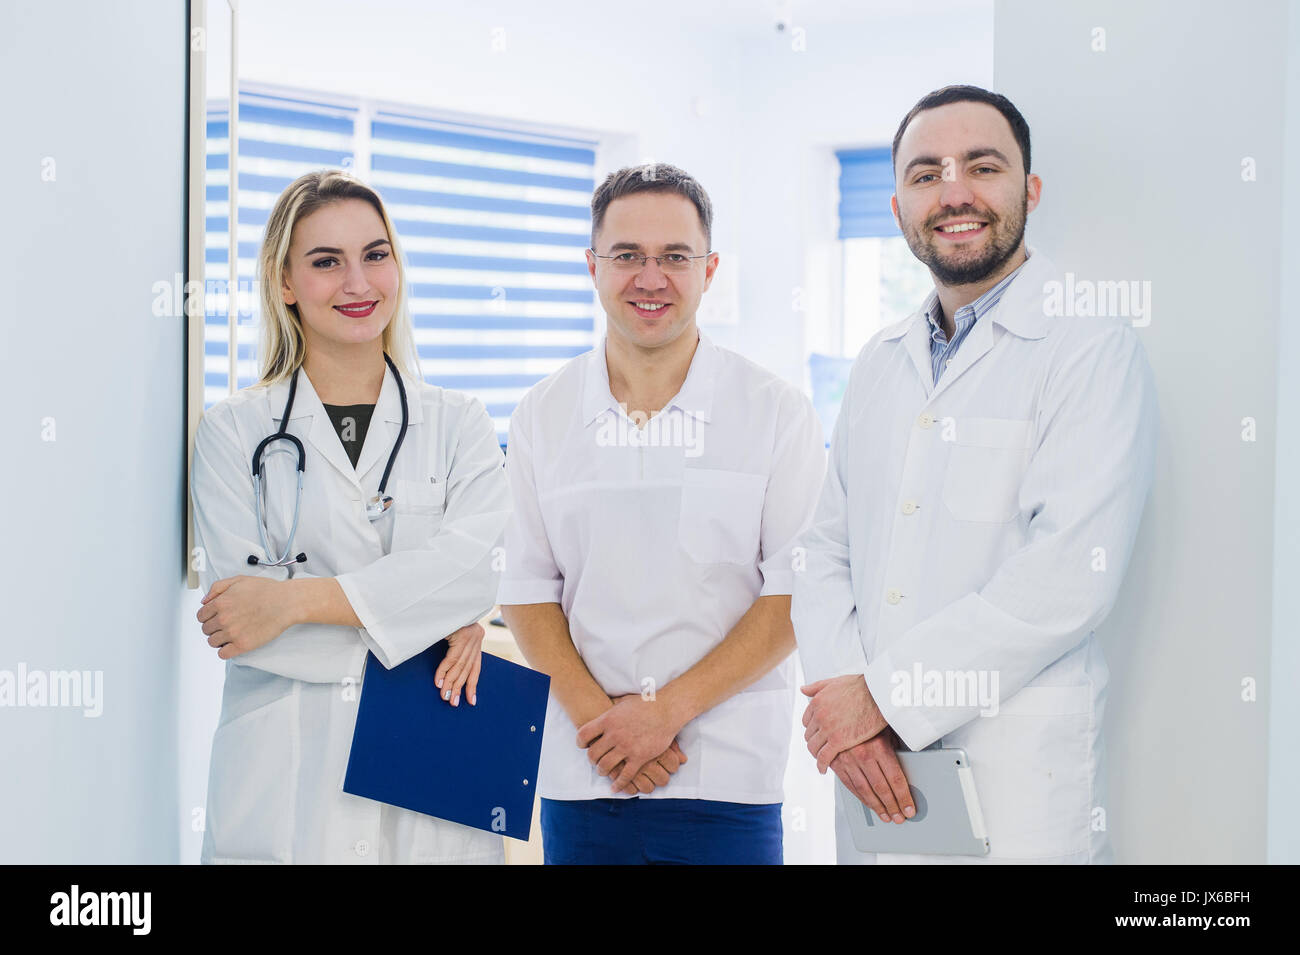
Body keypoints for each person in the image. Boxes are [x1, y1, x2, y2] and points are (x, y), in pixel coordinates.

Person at [793, 86, 1158, 864]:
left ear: (1028, 189)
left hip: (1013, 784)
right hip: (872, 772)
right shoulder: (879, 362)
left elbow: (1067, 576)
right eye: (926, 175)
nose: (954, 192)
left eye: (982, 167)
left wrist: (886, 698)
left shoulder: (1089, 346)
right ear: (897, 207)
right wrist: (845, 705)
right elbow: (824, 549)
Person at [498, 164, 825, 865]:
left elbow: (796, 593)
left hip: (725, 779)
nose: (652, 277)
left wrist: (661, 715)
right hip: (586, 776)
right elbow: (526, 591)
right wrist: (605, 724)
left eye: (675, 256)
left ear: (709, 269)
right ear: (592, 266)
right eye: (627, 256)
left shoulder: (774, 412)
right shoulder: (542, 415)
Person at [191, 170, 510, 864]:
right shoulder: (231, 432)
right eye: (326, 261)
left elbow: (481, 572)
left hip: (435, 781)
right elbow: (246, 626)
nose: (358, 282)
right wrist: (428, 615)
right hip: (286, 787)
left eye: (375, 254)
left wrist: (297, 601)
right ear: (284, 282)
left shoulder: (461, 423)